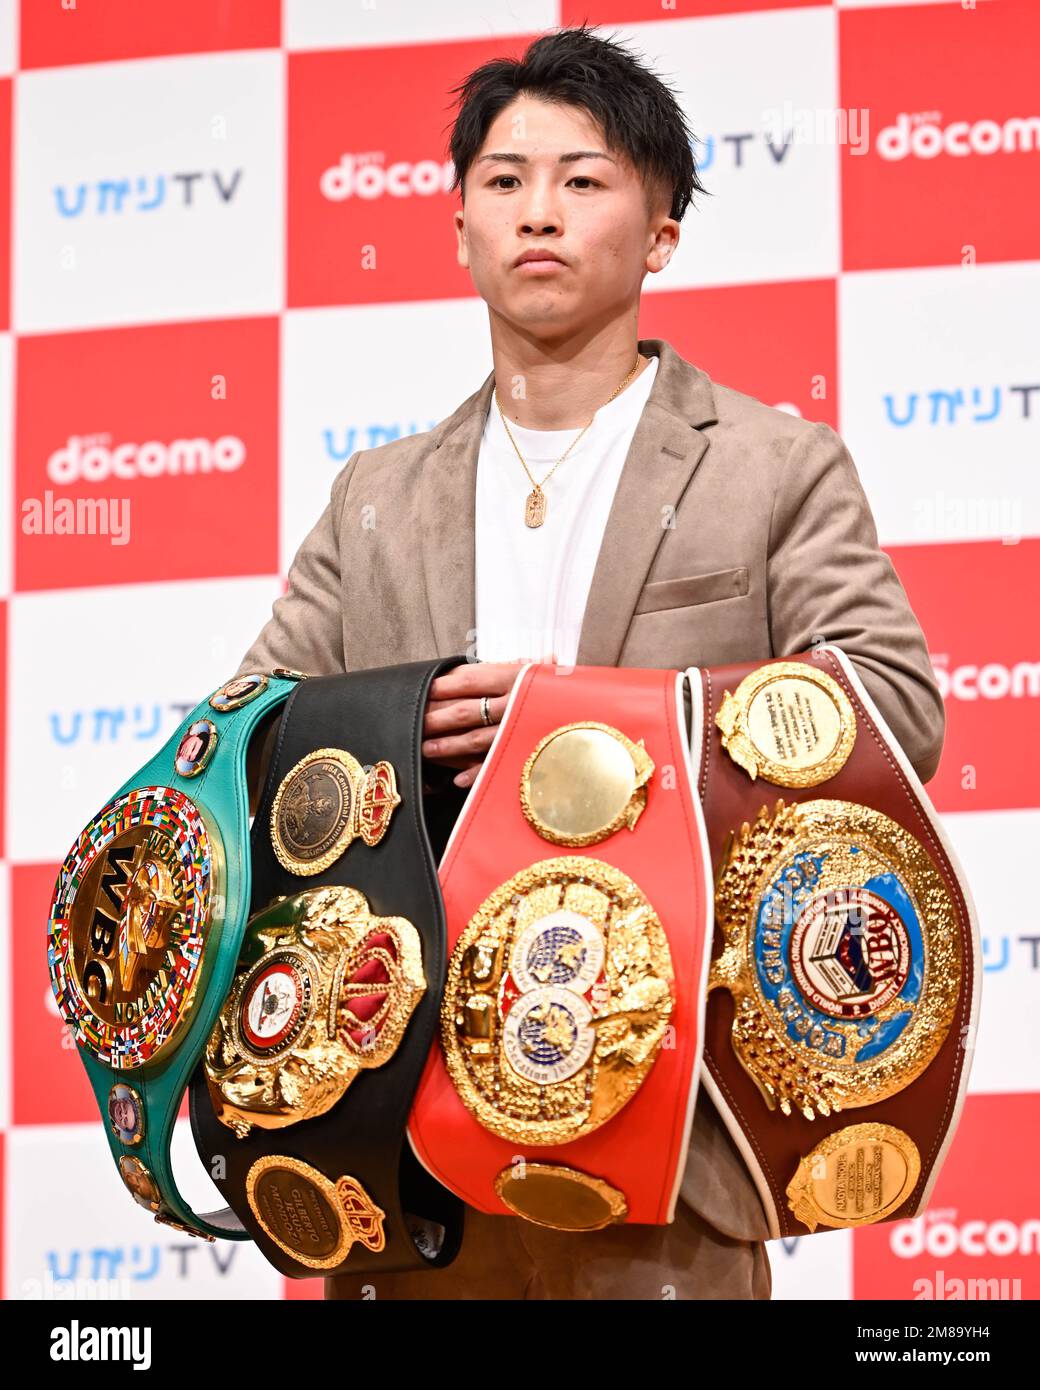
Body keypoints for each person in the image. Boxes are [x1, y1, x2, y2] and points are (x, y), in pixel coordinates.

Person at [231, 23, 945, 1300]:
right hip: (406, 1148)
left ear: (659, 231)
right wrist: (397, 724)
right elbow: (249, 732)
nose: (536, 213)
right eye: (502, 183)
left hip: (671, 1130)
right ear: (458, 228)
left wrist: (589, 718)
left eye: (583, 178)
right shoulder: (373, 496)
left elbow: (892, 709)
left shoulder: (772, 467)